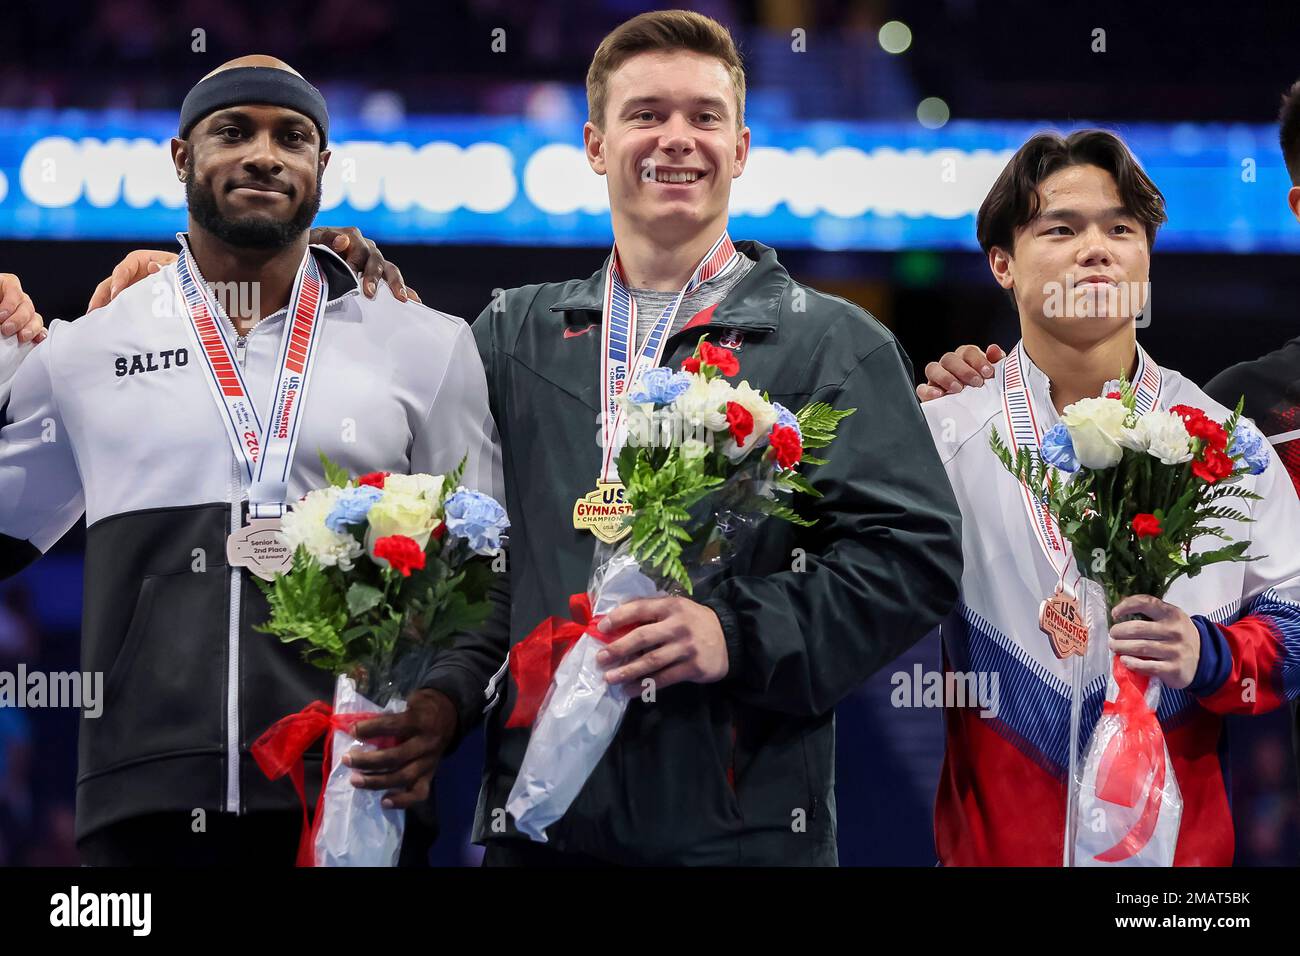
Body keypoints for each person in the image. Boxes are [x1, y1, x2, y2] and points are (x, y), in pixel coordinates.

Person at [373, 10, 963, 866]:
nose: (677, 138)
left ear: (744, 146)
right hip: (538, 824)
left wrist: (736, 631)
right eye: (646, 114)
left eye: (704, 116)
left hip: (740, 835)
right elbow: (471, 564)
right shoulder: (513, 333)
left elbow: (914, 558)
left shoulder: (832, 342)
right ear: (595, 144)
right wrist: (442, 701)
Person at [0, 55, 502, 865]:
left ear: (323, 168)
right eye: (233, 132)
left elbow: (486, 564)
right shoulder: (88, 349)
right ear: (180, 158)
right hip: (142, 802)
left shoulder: (427, 344)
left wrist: (442, 707)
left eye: (292, 136)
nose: (265, 154)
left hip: (358, 792)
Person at [919, 128, 1300, 865]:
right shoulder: (944, 433)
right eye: (1059, 228)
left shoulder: (1226, 442)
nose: (1095, 249)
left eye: (1120, 229)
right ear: (1002, 262)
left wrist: (1212, 655)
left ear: (1146, 259)